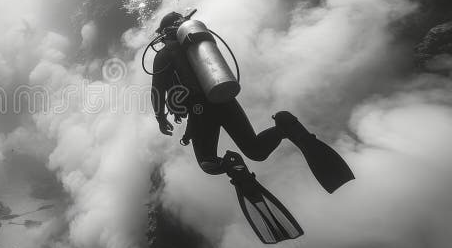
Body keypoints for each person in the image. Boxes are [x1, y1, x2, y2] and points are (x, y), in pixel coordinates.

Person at [150, 10, 353, 189]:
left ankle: (234, 167)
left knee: (207, 163)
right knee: (255, 149)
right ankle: (286, 126)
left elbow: (159, 91)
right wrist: (190, 132)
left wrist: (160, 118)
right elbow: (201, 85)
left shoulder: (165, 54)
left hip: (199, 109)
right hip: (224, 97)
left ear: (163, 33)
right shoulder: (196, 44)